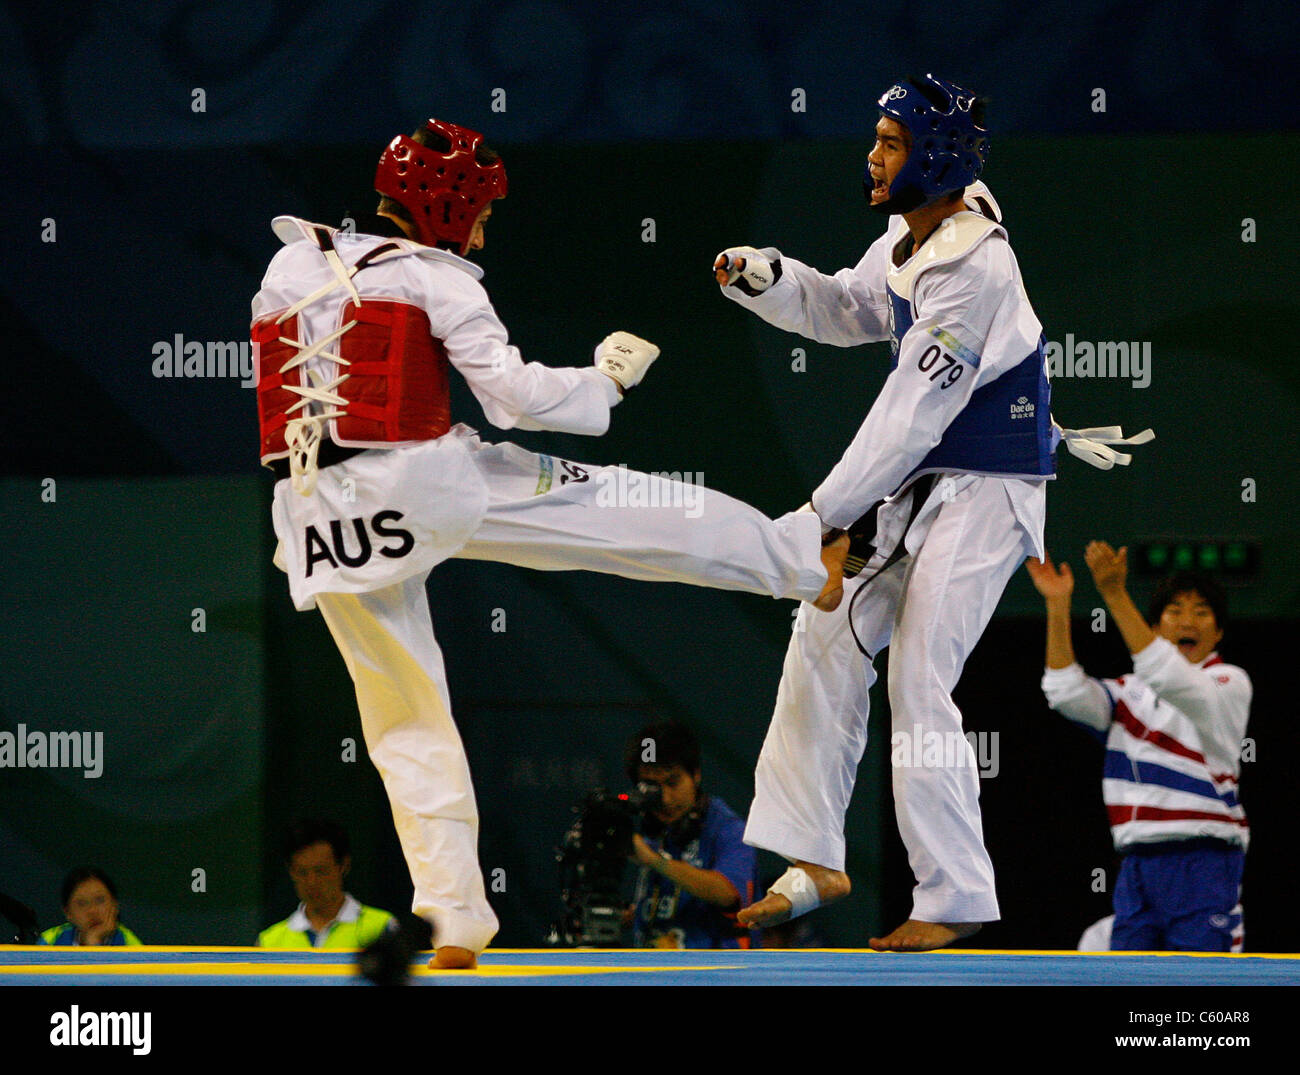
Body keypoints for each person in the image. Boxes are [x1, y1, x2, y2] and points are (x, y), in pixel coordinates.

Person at [252, 119, 848, 968]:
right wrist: (603, 380)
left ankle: (454, 916)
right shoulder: (437, 279)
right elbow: (514, 398)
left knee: (403, 717)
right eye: (481, 214)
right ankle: (797, 559)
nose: (485, 231)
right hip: (422, 485)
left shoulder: (288, 264)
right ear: (445, 207)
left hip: (313, 511)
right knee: (621, 506)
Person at [713, 75, 1144, 950]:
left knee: (917, 672)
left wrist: (821, 517)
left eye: (891, 143)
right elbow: (853, 309)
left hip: (991, 485)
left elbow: (907, 419)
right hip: (925, 478)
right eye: (877, 139)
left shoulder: (975, 267)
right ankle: (813, 857)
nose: (872, 157)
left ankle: (949, 897)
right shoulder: (914, 238)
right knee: (824, 629)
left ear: (936, 158)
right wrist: (772, 280)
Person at [1028, 546, 1250, 951]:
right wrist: (1058, 606)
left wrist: (1114, 594)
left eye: (1202, 612)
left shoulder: (1229, 683)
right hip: (1136, 864)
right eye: (1175, 611)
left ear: (1218, 632)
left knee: (1202, 983)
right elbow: (1065, 691)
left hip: (1202, 860)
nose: (1188, 621)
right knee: (1126, 975)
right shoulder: (1127, 695)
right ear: (1155, 626)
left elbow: (1171, 679)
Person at [624, 720, 758, 948]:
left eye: (672, 782)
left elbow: (728, 893)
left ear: (695, 775)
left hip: (719, 977)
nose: (664, 799)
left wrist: (654, 860)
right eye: (652, 786)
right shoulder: (652, 829)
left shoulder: (728, 829)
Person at [257, 819, 397, 949]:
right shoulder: (269, 942)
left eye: (320, 871)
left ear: (343, 866)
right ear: (291, 871)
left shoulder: (382, 928)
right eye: (302, 872)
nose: (311, 882)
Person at [39, 867, 142, 946]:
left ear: (115, 905)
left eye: (100, 900)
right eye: (81, 903)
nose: (92, 911)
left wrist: (94, 941)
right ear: (68, 913)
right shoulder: (50, 941)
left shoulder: (130, 944)